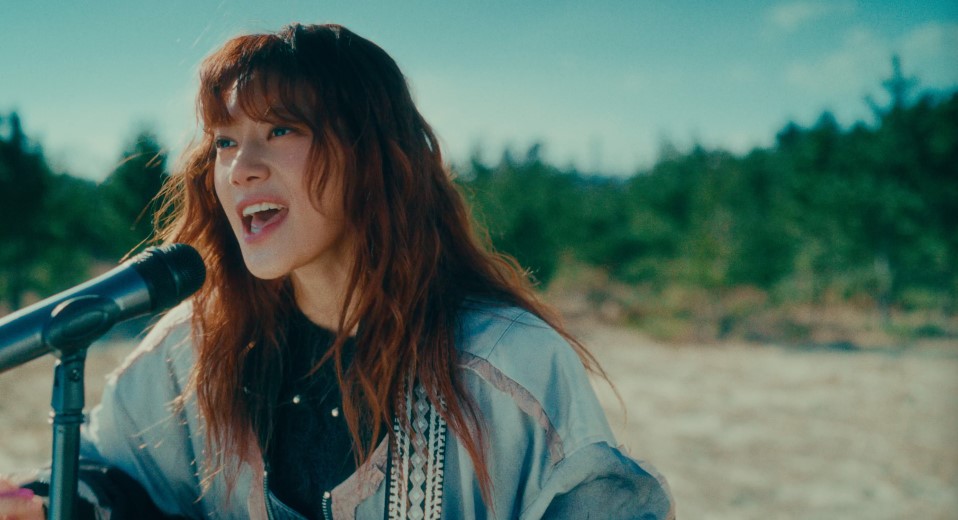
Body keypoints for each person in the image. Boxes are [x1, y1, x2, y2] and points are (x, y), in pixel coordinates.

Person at [0, 23, 673, 519]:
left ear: (370, 155)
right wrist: (47, 504)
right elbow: (113, 472)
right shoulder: (194, 350)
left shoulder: (505, 365)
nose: (242, 168)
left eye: (281, 130)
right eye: (226, 141)